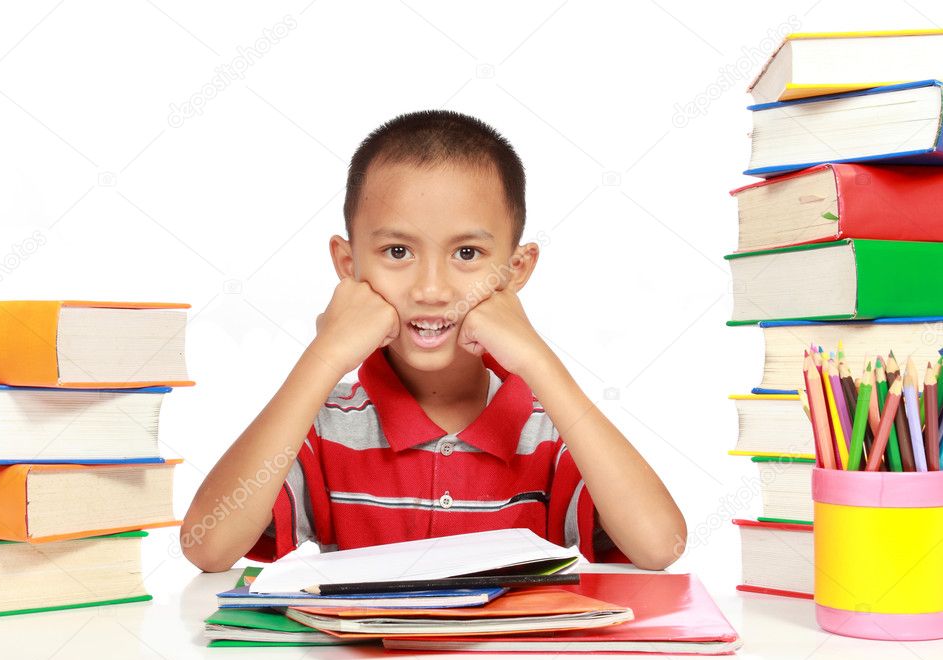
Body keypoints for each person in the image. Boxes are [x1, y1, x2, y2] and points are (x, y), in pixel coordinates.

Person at [182, 110, 686, 572]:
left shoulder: (553, 432)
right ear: (348, 265)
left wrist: (538, 360)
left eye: (467, 253)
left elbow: (661, 546)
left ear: (516, 270)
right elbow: (207, 547)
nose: (431, 290)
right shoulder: (322, 426)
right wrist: (325, 357)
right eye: (397, 250)